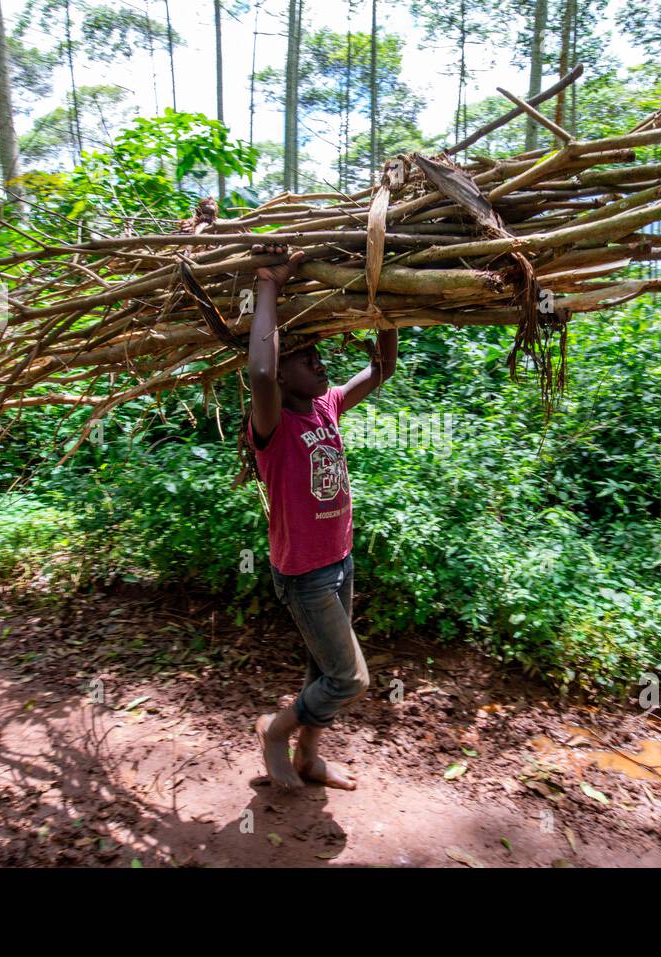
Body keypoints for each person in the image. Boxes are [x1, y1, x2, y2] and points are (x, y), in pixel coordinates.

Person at [246, 242, 398, 791]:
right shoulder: (272, 426)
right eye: (303, 355)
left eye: (317, 353)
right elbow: (260, 373)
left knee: (322, 669)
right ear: (281, 375)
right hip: (305, 573)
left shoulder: (325, 405)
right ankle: (274, 731)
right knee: (349, 677)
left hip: (340, 559)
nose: (318, 361)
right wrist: (268, 282)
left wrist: (386, 308)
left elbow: (383, 368)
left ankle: (310, 755)